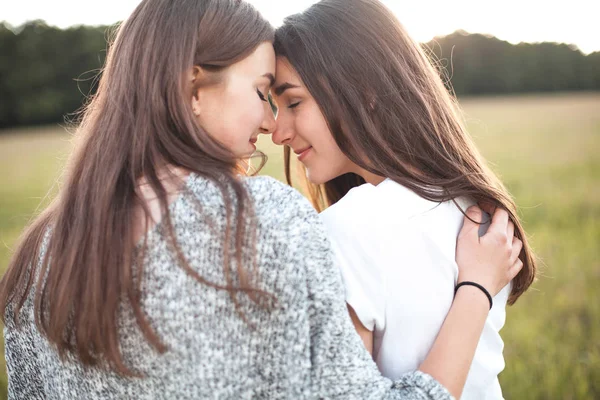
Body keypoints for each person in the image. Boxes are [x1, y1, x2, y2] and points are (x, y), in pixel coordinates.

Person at [1, 0, 522, 399]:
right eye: (262, 93)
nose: (272, 125)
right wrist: (475, 287)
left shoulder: (32, 262)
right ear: (192, 91)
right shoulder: (269, 223)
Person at [271, 0, 535, 398]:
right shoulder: (477, 212)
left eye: (293, 102)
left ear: (364, 90)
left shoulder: (344, 228)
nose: (278, 133)